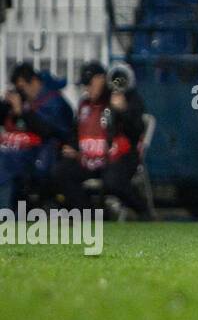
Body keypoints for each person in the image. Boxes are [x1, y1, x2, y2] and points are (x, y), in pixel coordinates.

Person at [44, 62, 151, 219]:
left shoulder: (124, 96)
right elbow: (76, 133)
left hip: (120, 156)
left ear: (101, 79)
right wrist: (73, 148)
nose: (87, 88)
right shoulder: (85, 104)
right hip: (90, 158)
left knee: (112, 180)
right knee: (61, 172)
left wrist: (123, 111)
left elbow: (136, 130)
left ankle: (142, 210)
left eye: (89, 83)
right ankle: (90, 214)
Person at [0, 62, 75, 210]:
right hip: (18, 154)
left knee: (6, 167)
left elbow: (49, 130)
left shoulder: (53, 101)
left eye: (22, 87)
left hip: (41, 156)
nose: (21, 92)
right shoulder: (27, 102)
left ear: (34, 82)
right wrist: (5, 105)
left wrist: (23, 112)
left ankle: (6, 213)